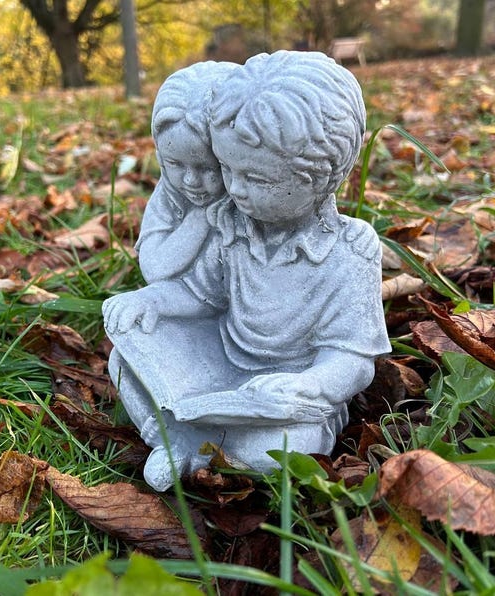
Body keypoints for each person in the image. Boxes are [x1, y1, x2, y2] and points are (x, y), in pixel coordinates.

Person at [103, 51, 390, 491]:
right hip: (221, 360)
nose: (233, 189)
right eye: (229, 170)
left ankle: (203, 450)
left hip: (289, 391)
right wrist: (152, 300)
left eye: (256, 179)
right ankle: (178, 441)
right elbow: (204, 296)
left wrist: (307, 388)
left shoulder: (348, 251)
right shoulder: (232, 221)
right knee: (125, 359)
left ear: (320, 176)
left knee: (280, 448)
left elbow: (352, 362)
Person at [135, 61, 238, 283]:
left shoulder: (255, 201)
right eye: (175, 164)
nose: (191, 180)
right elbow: (155, 268)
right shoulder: (168, 197)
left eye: (207, 168)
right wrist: (201, 217)